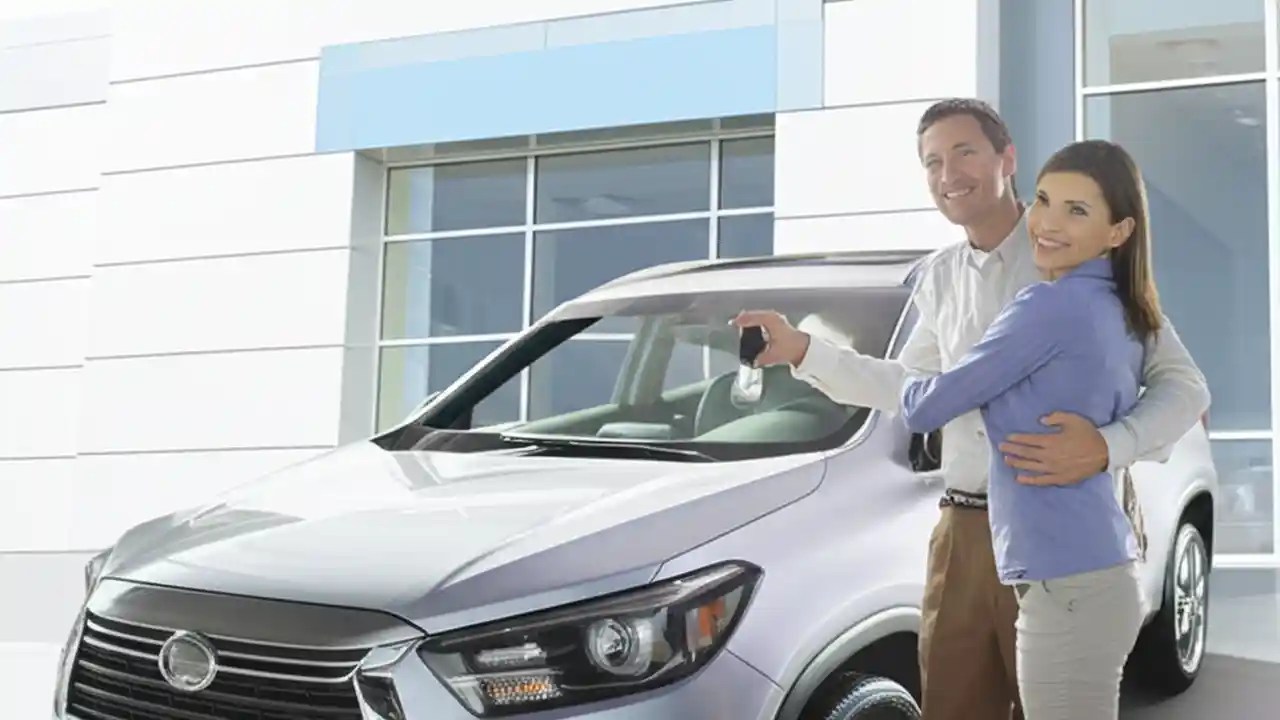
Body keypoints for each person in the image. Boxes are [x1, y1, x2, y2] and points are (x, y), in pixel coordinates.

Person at [733, 99, 1210, 720]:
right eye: (932, 161)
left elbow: (1184, 387)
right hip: (962, 532)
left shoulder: (1076, 261)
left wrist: (1108, 444)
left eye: (963, 152)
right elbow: (910, 384)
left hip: (1060, 532)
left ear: (1006, 159)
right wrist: (802, 350)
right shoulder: (937, 277)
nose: (947, 173)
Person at [898, 139, 1159, 719]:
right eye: (1044, 200)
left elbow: (926, 407)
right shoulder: (1122, 305)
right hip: (1094, 573)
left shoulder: (1045, 306)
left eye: (1078, 211)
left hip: (1064, 588)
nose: (1046, 223)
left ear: (1118, 232)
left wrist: (915, 379)